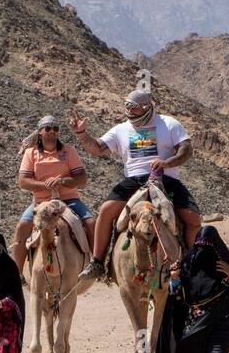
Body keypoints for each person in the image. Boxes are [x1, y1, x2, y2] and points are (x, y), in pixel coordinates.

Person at [70, 89, 202, 280]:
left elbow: (186, 149)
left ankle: (193, 262)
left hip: (166, 177)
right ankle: (98, 261)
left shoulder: (169, 124)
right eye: (127, 107)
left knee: (193, 218)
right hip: (134, 179)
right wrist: (82, 134)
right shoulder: (121, 129)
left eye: (134, 107)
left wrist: (168, 163)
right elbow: (97, 148)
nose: (129, 111)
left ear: (147, 107)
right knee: (106, 210)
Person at [10, 115, 95, 273]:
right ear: (40, 132)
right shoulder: (31, 153)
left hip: (69, 200)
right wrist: (45, 185)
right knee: (22, 227)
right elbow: (23, 182)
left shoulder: (69, 151)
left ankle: (96, 264)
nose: (52, 132)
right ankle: (16, 272)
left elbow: (82, 179)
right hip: (40, 202)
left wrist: (62, 181)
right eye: (47, 128)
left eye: (55, 129)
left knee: (90, 222)